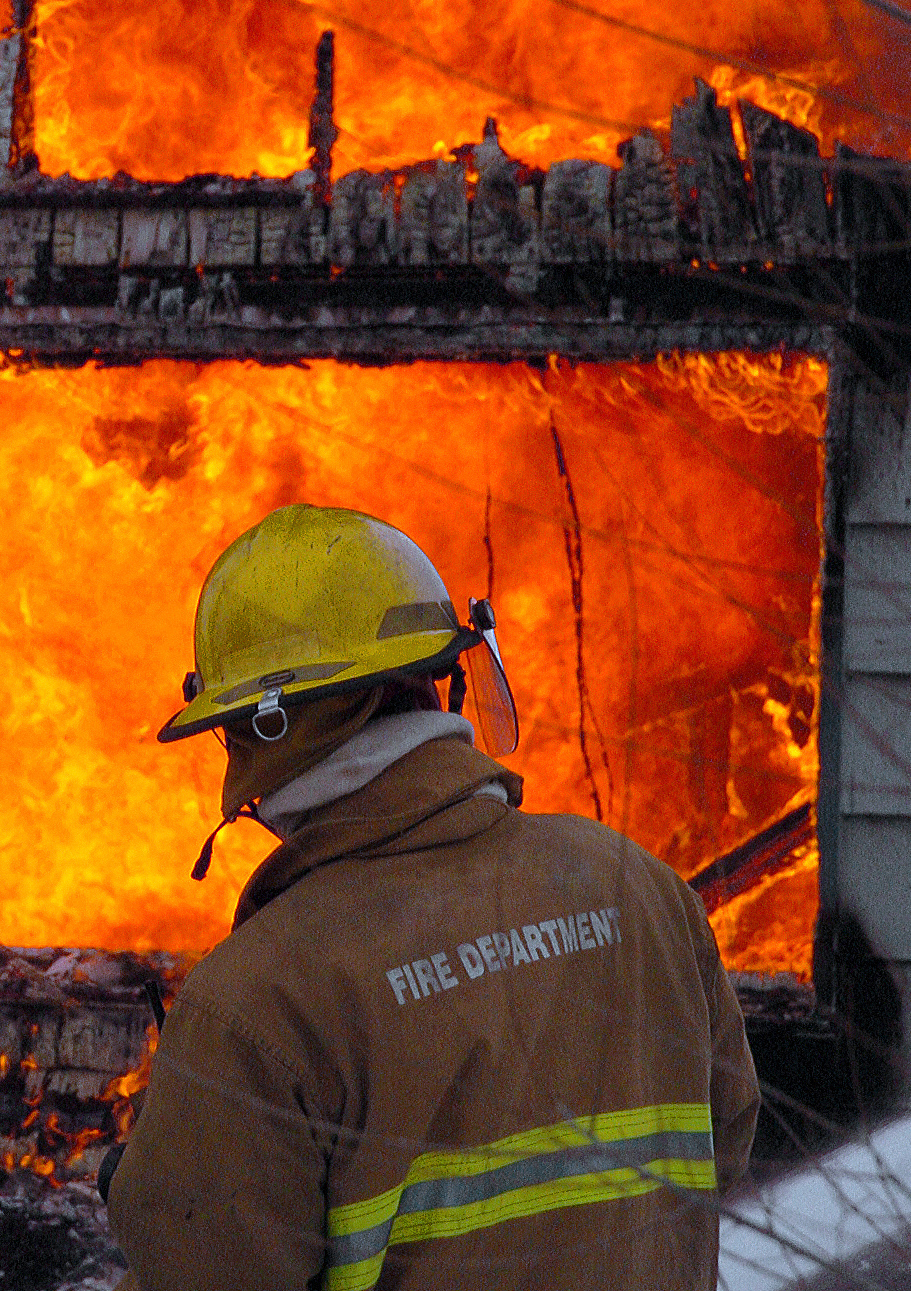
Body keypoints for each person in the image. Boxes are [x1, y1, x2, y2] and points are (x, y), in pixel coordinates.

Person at [106, 503, 759, 1290]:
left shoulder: (259, 1000)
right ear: (435, 680)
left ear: (257, 731)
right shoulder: (639, 887)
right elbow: (724, 1140)